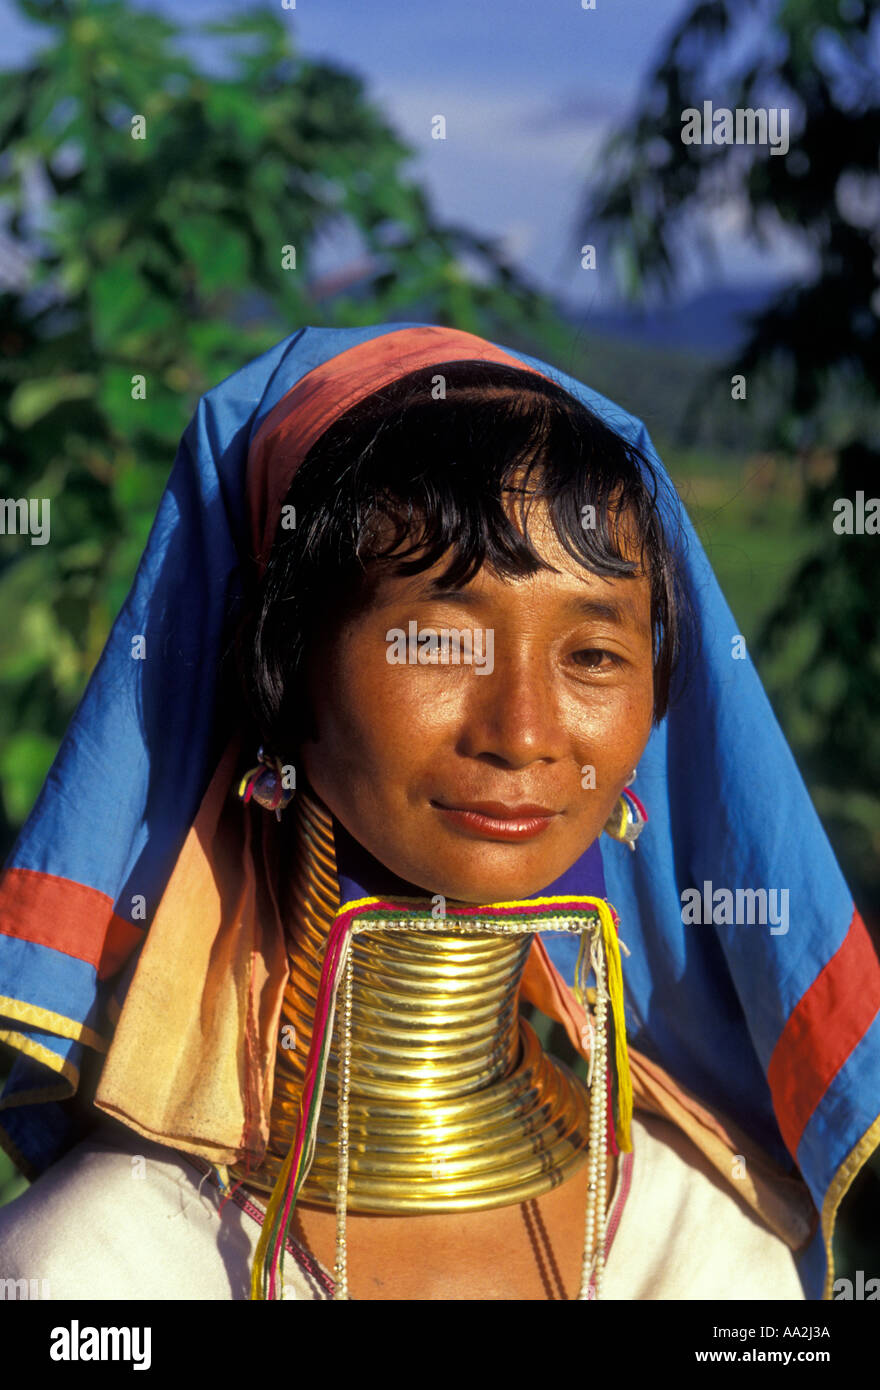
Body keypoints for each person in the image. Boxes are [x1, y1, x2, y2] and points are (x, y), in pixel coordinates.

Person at [0, 324, 876, 1302]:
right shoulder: (94, 1270)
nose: (524, 732)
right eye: (437, 646)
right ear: (282, 676)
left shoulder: (707, 1249)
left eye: (591, 657)